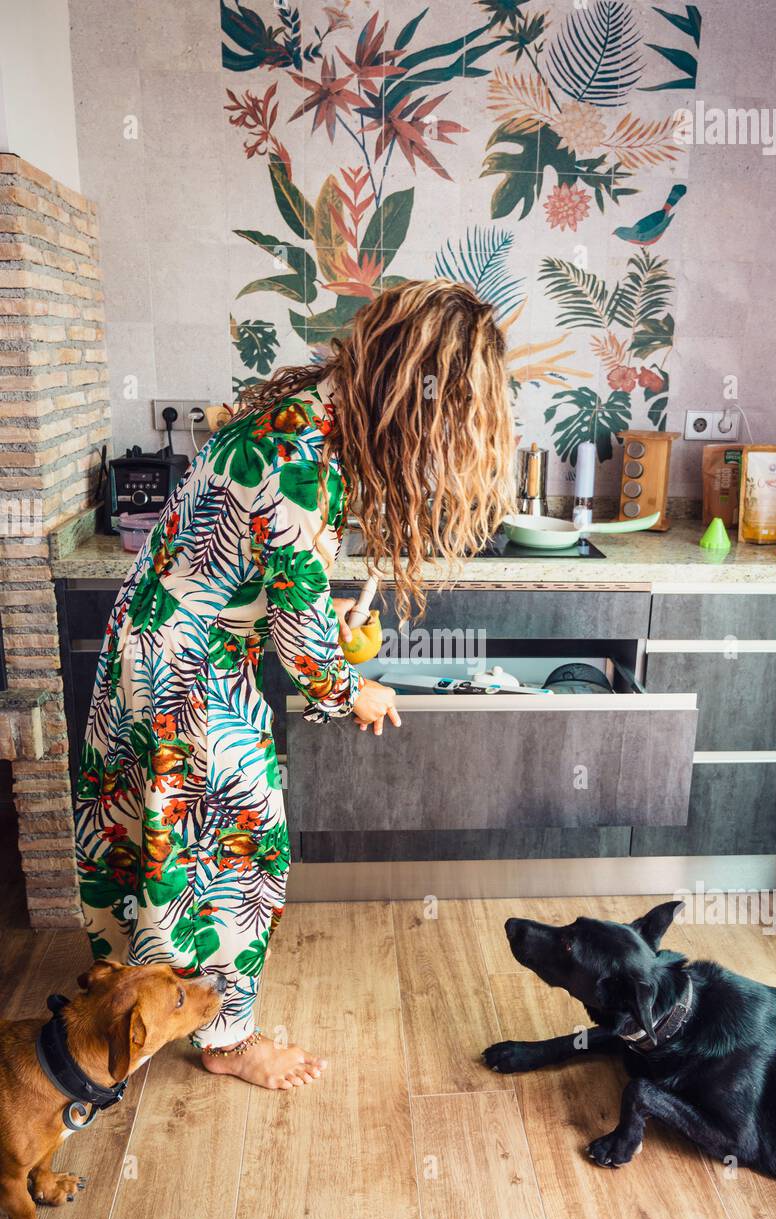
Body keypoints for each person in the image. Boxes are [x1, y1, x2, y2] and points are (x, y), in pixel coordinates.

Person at [74, 279, 514, 1089]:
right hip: (188, 670)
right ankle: (225, 1041)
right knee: (243, 855)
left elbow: (277, 584)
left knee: (161, 833)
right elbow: (304, 645)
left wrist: (319, 625)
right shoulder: (304, 459)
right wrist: (357, 691)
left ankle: (127, 998)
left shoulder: (309, 411)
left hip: (154, 645)